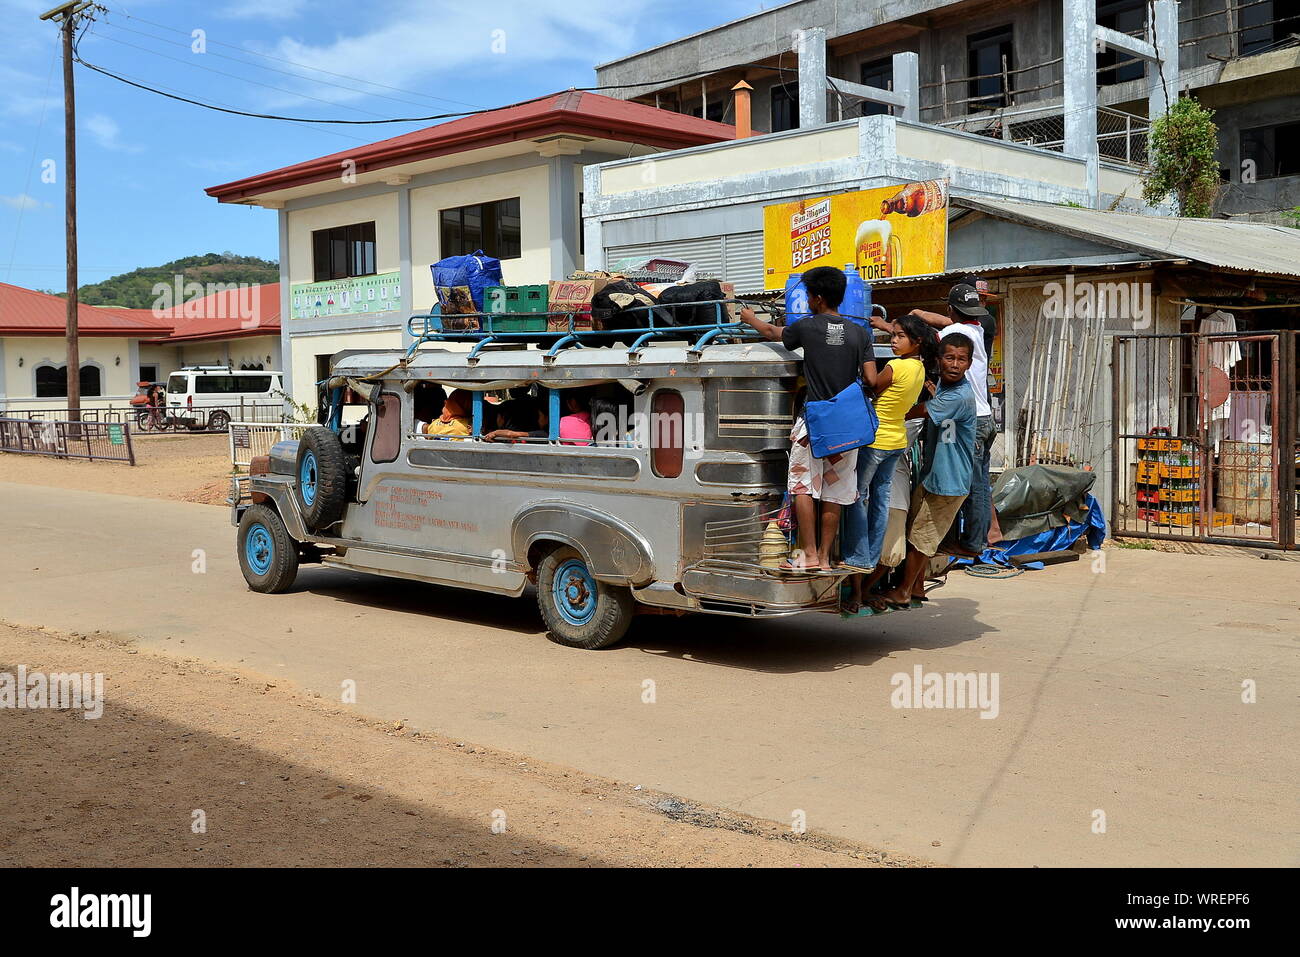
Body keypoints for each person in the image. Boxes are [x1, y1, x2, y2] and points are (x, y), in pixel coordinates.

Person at [738, 265, 870, 573]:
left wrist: (750, 318)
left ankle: (808, 553)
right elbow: (869, 377)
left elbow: (773, 332)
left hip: (814, 423)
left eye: (809, 295)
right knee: (835, 492)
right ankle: (824, 557)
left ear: (819, 298)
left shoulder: (808, 327)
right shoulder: (860, 333)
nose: (808, 300)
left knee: (802, 487)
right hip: (847, 425)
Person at [841, 313, 936, 609]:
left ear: (916, 342)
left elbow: (872, 384)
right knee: (879, 503)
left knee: (858, 498)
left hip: (877, 440)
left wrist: (863, 356)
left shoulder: (896, 366)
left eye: (898, 336)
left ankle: (859, 561)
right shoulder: (920, 369)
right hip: (896, 442)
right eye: (892, 335)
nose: (893, 341)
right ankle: (868, 563)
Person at [879, 337, 977, 609]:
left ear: (969, 364)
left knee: (922, 538)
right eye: (949, 358)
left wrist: (884, 407)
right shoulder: (945, 388)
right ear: (938, 360)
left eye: (961, 359)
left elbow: (914, 412)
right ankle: (917, 586)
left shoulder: (960, 395)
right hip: (932, 474)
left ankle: (904, 591)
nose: (955, 365)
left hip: (949, 481)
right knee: (913, 530)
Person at [909, 282, 997, 556]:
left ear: (950, 309)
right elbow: (946, 321)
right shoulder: (978, 328)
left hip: (966, 416)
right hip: (983, 415)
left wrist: (900, 325)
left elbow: (925, 338)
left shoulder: (952, 334)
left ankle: (970, 544)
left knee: (969, 483)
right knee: (979, 481)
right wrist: (922, 313)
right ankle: (974, 540)